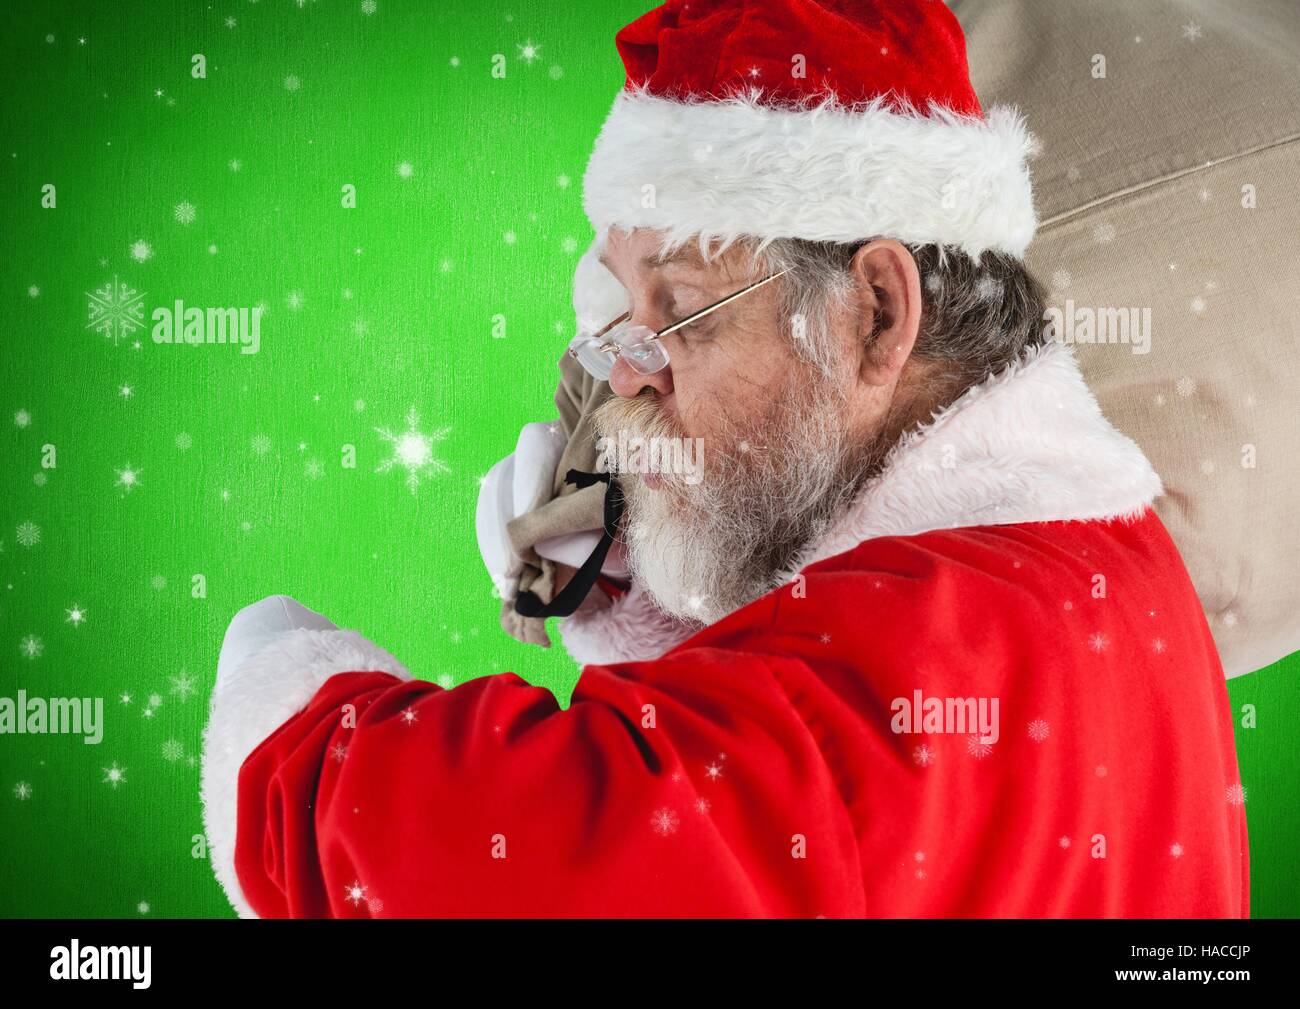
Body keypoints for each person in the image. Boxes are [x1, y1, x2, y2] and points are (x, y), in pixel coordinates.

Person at [201, 0, 1247, 917]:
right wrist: (659, 595)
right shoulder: (1107, 558)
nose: (621, 376)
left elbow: (520, 858)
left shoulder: (890, 682)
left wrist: (291, 725)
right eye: (619, 305)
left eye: (686, 308)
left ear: (876, 312)